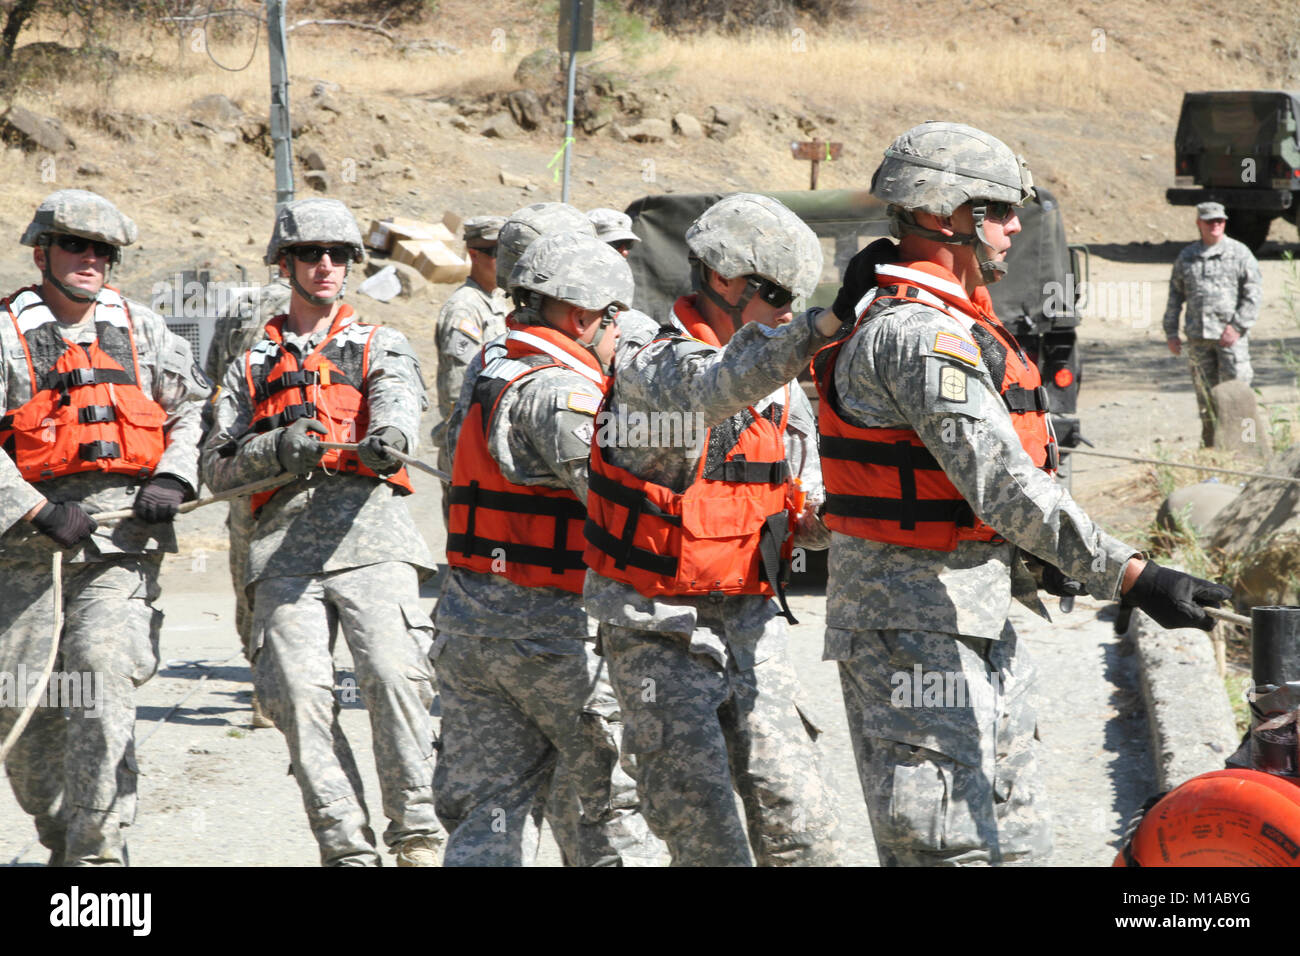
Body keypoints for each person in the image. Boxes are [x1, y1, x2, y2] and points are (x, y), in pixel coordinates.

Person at [816, 121, 1233, 866]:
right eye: (1000, 211)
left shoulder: (948, 322)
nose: (1014, 227)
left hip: (968, 619)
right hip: (915, 635)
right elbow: (1004, 487)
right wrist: (1135, 576)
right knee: (953, 849)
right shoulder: (919, 336)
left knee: (1017, 844)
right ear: (948, 218)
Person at [583, 193, 845, 866]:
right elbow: (715, 386)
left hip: (750, 622)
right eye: (778, 293)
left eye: (801, 297)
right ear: (724, 280)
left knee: (802, 824)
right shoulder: (648, 362)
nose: (789, 310)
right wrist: (818, 328)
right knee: (706, 839)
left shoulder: (782, 386)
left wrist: (830, 519)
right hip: (657, 633)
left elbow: (804, 506)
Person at [201, 198, 442, 867]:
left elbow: (399, 404)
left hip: (372, 541)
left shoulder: (379, 343)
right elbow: (215, 469)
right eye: (311, 254)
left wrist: (386, 438)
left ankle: (417, 834)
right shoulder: (249, 364)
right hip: (281, 551)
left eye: (339, 254)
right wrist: (276, 448)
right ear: (287, 264)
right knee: (300, 701)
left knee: (395, 679)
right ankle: (346, 849)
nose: (327, 266)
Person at [434, 230, 662, 866]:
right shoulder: (562, 393)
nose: (620, 336)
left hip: (470, 628)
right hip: (553, 634)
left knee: (488, 814)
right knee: (614, 809)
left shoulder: (490, 369)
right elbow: (620, 509)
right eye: (615, 320)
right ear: (583, 316)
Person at [0, 188, 211, 865]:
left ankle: (97, 857)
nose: (89, 259)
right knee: (24, 718)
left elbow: (195, 409)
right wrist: (33, 509)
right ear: (42, 252)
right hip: (24, 557)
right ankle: (65, 835)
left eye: (103, 251)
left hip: (121, 549)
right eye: (74, 245)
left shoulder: (143, 328)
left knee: (101, 672)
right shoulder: (4, 334)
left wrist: (174, 476)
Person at [203, 278, 291, 728]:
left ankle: (271, 685)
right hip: (260, 470)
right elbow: (218, 383)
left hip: (271, 470)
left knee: (255, 581)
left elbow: (211, 383)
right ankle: (269, 685)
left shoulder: (247, 307)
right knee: (263, 579)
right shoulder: (247, 310)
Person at [1162, 201, 1263, 447]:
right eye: (1209, 221)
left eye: (1219, 221)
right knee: (1205, 398)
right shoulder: (1187, 257)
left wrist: (1237, 327)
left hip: (1230, 340)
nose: (1215, 225)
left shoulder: (1240, 253)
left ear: (1225, 223)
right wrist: (1171, 332)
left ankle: (1243, 448)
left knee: (1236, 394)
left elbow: (1253, 295)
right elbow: (1175, 295)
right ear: (1199, 224)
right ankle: (1210, 447)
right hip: (1198, 339)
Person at [431, 215, 509, 492]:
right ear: (473, 254)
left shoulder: (498, 301)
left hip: (490, 443)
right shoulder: (464, 309)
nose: (505, 260)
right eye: (496, 253)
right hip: (467, 444)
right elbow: (457, 392)